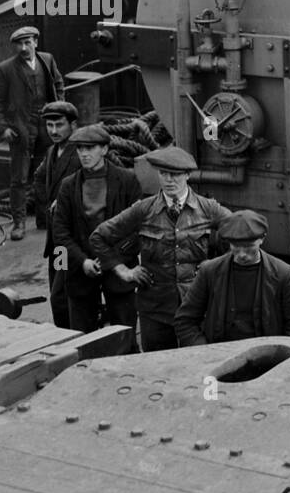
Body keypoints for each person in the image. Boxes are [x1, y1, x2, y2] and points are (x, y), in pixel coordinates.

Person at [89, 146, 232, 352]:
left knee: (199, 364)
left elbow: (243, 233)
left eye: (175, 174)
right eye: (163, 173)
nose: (169, 180)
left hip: (197, 307)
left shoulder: (207, 209)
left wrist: (217, 266)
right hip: (155, 309)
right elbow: (99, 237)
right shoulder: (144, 209)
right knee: (157, 366)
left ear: (188, 175)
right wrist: (124, 271)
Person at [51, 124, 143, 337]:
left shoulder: (127, 181)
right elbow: (60, 232)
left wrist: (111, 260)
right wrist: (82, 261)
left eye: (90, 148)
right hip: (79, 269)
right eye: (80, 148)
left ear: (104, 149)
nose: (84, 154)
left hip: (119, 269)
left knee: (125, 333)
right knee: (81, 336)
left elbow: (137, 228)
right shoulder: (68, 186)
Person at [174, 210, 290, 346]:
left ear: (262, 239)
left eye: (248, 247)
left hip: (267, 359)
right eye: (236, 247)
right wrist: (206, 351)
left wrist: (277, 356)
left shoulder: (284, 273)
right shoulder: (209, 271)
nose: (242, 254)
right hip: (219, 358)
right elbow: (185, 321)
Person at [0, 25, 65, 241]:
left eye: (27, 42)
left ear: (35, 42)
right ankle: (19, 223)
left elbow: (58, 83)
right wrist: (4, 129)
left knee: (45, 173)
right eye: (19, 44)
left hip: (46, 126)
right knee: (19, 178)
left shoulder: (47, 60)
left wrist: (59, 110)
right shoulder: (6, 69)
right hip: (21, 129)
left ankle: (43, 218)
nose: (23, 47)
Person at [31, 100, 81, 327]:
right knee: (58, 286)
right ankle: (66, 330)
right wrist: (50, 203)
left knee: (62, 293)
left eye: (59, 125)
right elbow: (40, 179)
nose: (53, 131)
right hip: (57, 240)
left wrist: (63, 203)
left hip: (73, 237)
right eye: (49, 125)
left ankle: (70, 334)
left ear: (73, 124)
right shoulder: (52, 152)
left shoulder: (82, 152)